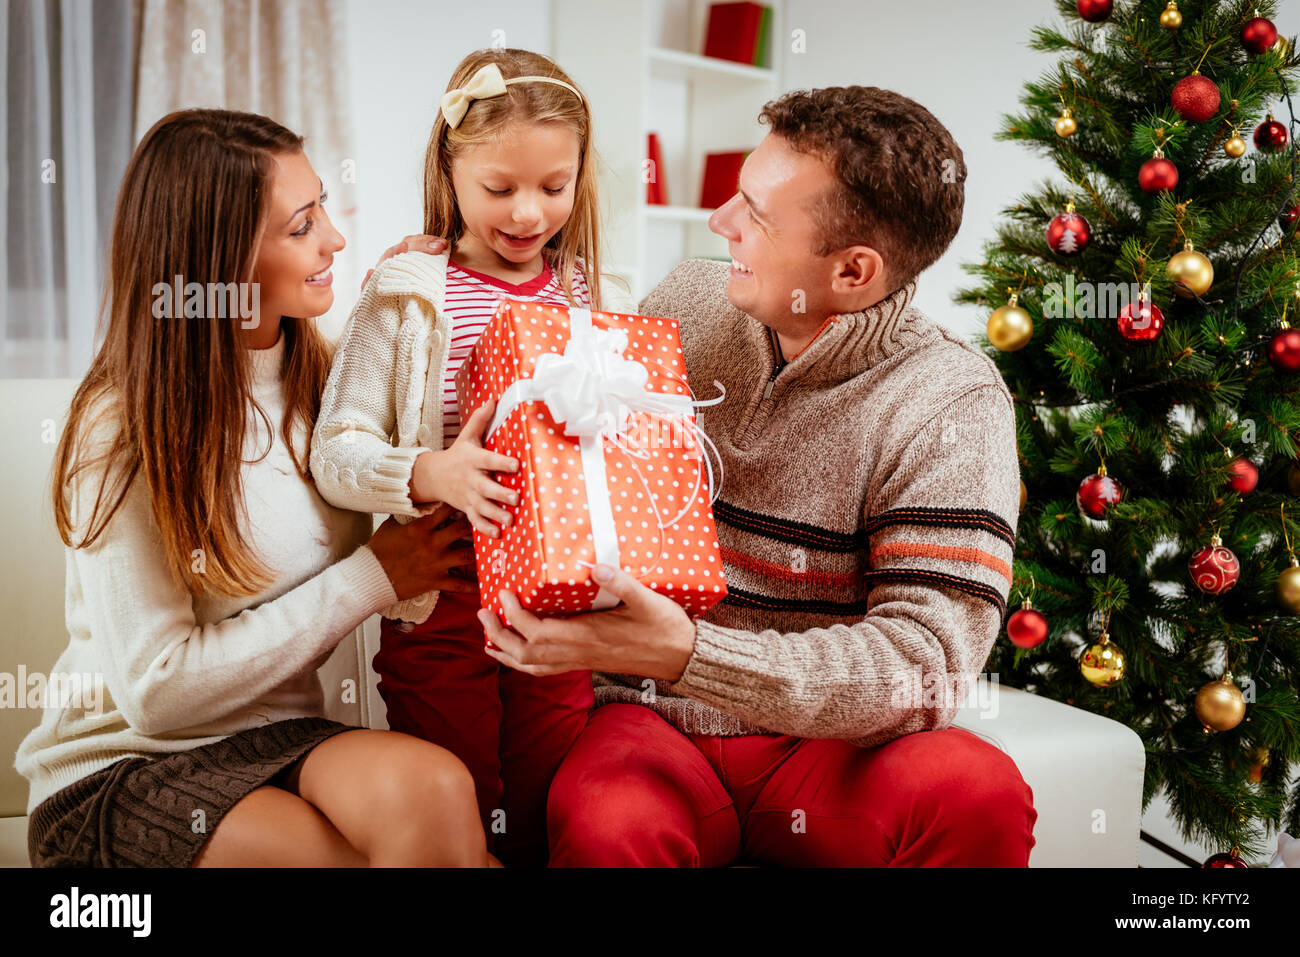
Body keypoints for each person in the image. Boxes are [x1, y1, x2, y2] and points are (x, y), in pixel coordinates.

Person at [469, 86, 1038, 866]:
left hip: (826, 750)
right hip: (654, 722)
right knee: (608, 820)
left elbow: (922, 670)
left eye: (757, 215)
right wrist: (439, 260)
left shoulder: (951, 403)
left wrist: (690, 654)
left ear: (852, 270)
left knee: (978, 790)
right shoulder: (688, 304)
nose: (720, 222)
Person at [14, 108, 497, 868]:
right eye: (301, 225)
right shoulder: (122, 427)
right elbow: (156, 691)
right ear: (221, 259)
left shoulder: (327, 384)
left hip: (282, 739)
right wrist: (372, 578)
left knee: (438, 792)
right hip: (128, 763)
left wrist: (413, 296)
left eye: (323, 209)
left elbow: (437, 420)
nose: (334, 240)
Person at [310, 48, 637, 868]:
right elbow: (335, 451)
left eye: (554, 186)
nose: (529, 212)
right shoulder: (403, 292)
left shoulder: (597, 298)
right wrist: (427, 472)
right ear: (449, 170)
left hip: (558, 604)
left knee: (542, 806)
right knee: (456, 800)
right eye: (500, 188)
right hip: (439, 590)